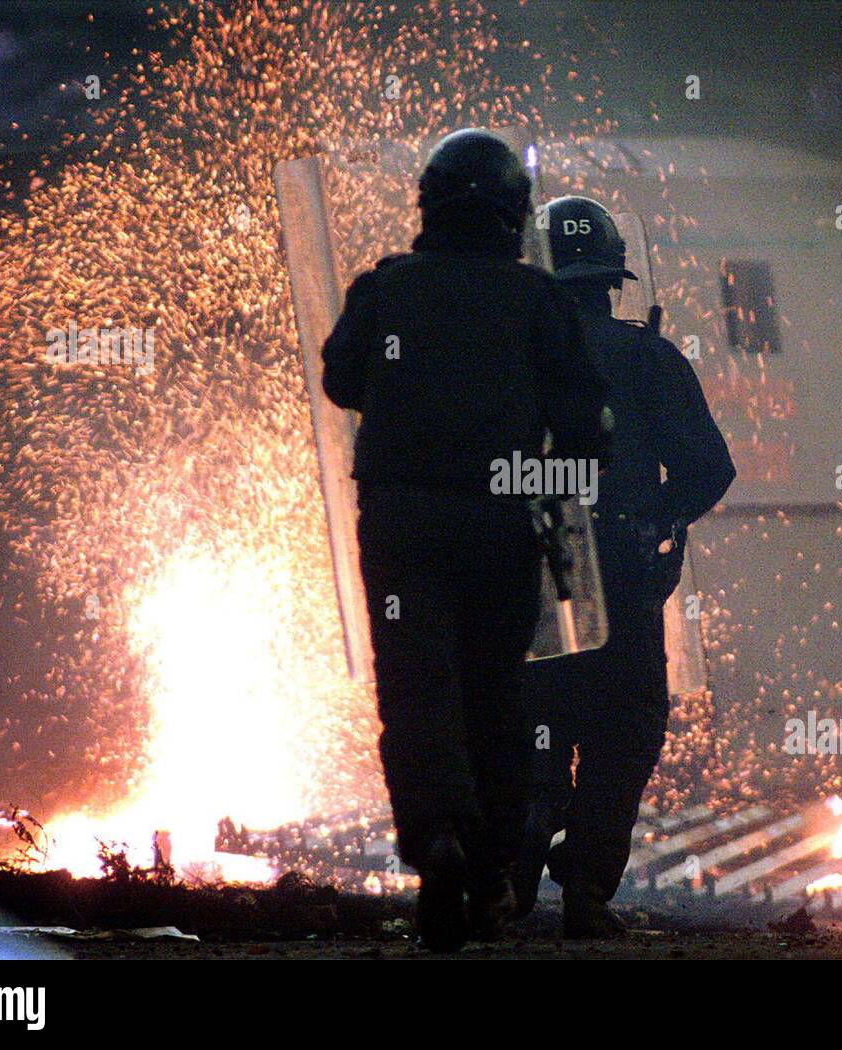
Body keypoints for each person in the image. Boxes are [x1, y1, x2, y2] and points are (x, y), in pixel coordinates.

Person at [320, 132, 610, 951]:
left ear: (429, 203)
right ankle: (491, 877)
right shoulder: (539, 302)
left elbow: (342, 380)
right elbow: (585, 423)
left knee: (417, 688)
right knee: (495, 693)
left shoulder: (387, 290)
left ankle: (438, 835)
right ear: (516, 214)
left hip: (404, 521)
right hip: (501, 520)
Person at [517, 195, 736, 937]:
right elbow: (710, 468)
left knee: (534, 719)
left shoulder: (509, 361)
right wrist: (660, 519)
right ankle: (584, 887)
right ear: (614, 279)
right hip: (622, 570)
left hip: (535, 574)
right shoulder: (649, 358)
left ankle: (514, 870)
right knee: (625, 727)